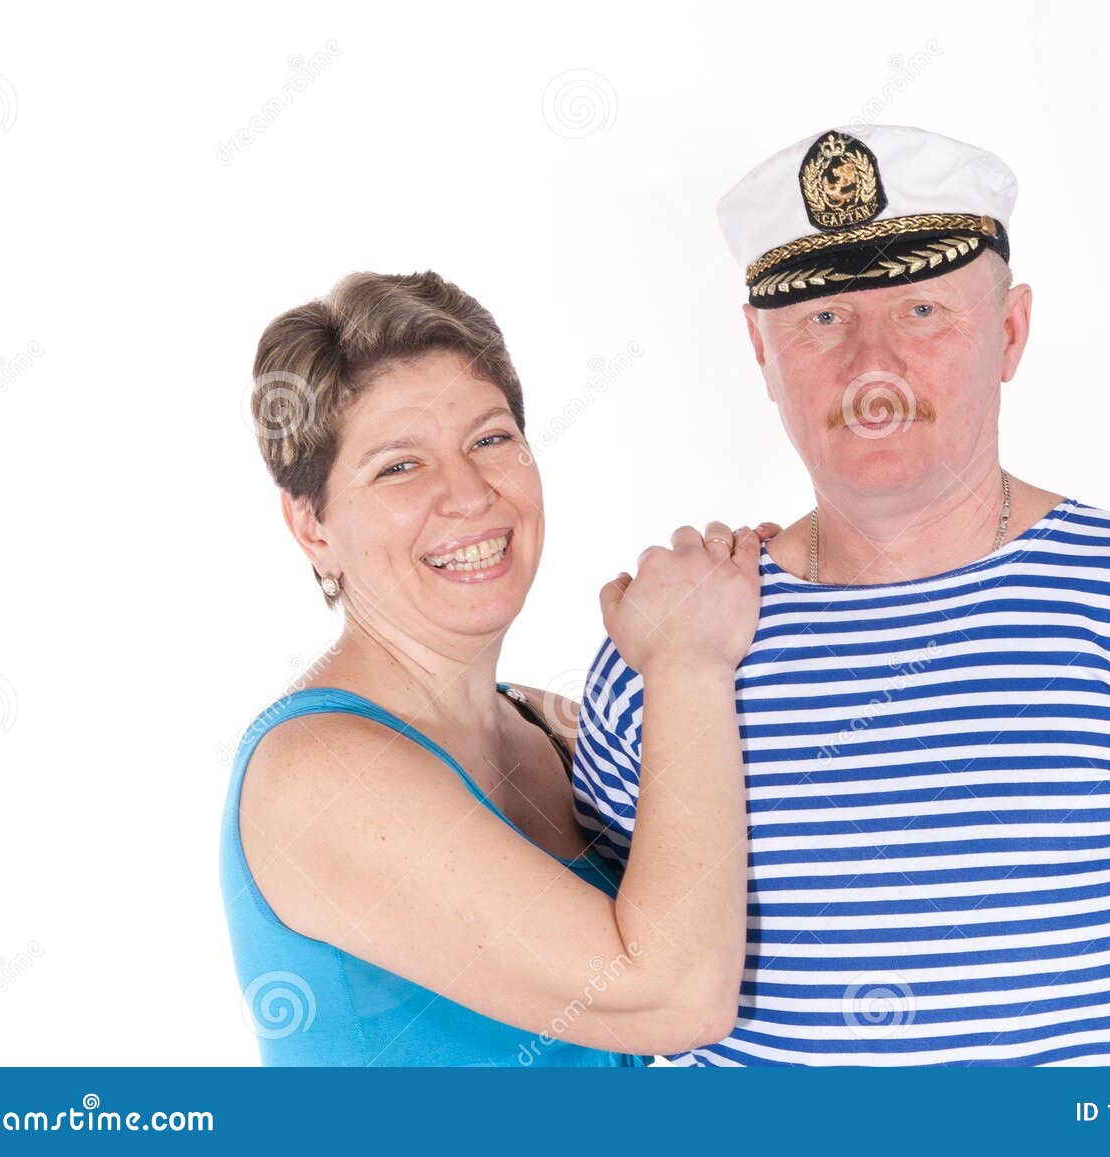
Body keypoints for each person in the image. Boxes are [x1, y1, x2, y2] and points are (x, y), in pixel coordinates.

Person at [570, 125, 1110, 1066]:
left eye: (924, 310)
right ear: (758, 350)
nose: (870, 365)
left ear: (1011, 332)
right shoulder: (669, 650)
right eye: (821, 320)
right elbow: (613, 1017)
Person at [220, 270, 769, 1065]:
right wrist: (686, 661)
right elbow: (675, 993)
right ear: (311, 524)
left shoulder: (545, 724)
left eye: (490, 439)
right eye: (399, 467)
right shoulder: (317, 774)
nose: (470, 493)